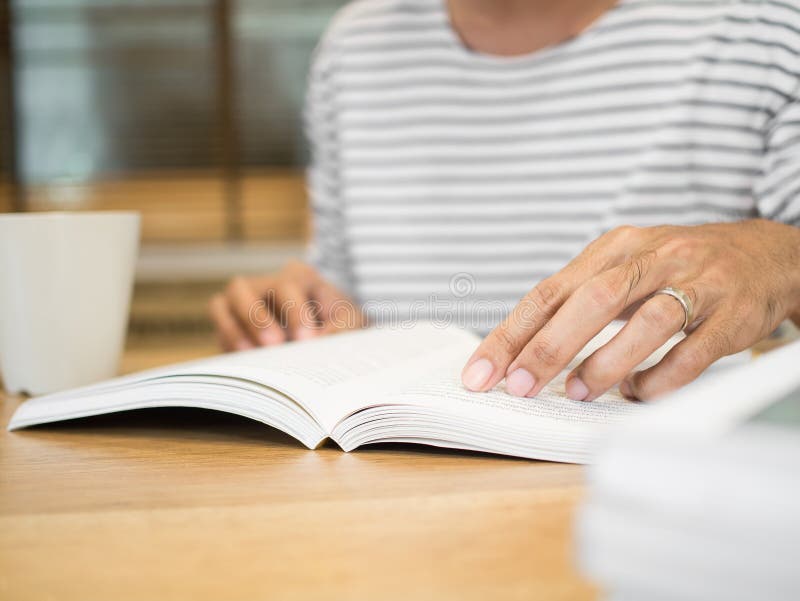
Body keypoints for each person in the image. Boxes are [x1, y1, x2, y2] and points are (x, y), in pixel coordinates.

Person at [210, 0, 800, 402]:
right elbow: (352, 300)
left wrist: (782, 260)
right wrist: (306, 312)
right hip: (392, 496)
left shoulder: (766, 27)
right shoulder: (354, 44)